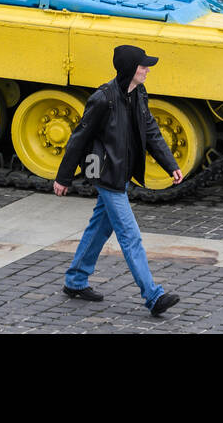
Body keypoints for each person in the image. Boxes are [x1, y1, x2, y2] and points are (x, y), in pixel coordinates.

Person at [53, 44, 184, 317]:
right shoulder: (102, 99)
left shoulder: (138, 94)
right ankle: (153, 296)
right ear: (129, 70)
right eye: (142, 66)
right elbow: (80, 138)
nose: (147, 69)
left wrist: (170, 164)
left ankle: (75, 280)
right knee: (130, 235)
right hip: (105, 173)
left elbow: (151, 131)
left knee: (100, 228)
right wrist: (63, 177)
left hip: (122, 173)